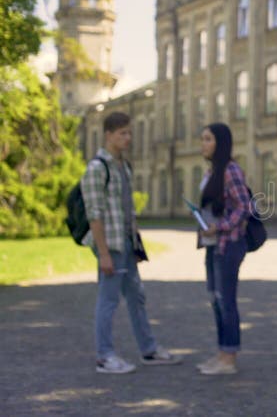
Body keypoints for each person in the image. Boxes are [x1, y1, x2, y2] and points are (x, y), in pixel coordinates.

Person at [80, 112, 182, 374]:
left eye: (129, 132)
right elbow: (95, 214)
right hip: (110, 246)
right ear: (109, 135)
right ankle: (105, 356)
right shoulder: (96, 169)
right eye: (123, 133)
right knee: (108, 300)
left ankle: (149, 350)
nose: (128, 138)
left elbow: (128, 211)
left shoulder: (124, 166)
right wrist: (103, 253)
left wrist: (136, 246)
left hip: (126, 244)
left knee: (137, 297)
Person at [195, 123, 250, 375]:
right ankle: (221, 354)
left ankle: (229, 359)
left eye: (207, 139)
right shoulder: (212, 172)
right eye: (202, 139)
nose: (203, 143)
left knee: (226, 301)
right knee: (215, 301)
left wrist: (219, 226)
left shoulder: (231, 170)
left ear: (220, 143)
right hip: (213, 245)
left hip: (229, 245)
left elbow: (244, 207)